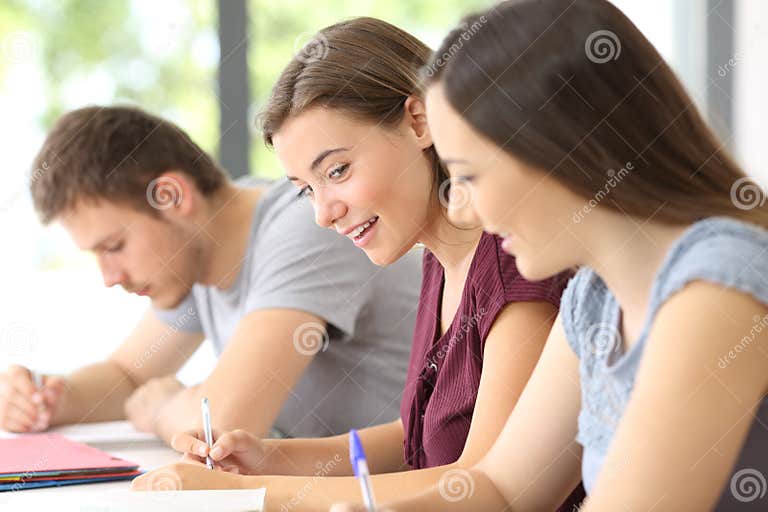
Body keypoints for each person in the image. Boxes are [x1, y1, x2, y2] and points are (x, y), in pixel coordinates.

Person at [331, 0, 768, 510]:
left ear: (559, 150)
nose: (464, 210)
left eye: (469, 175)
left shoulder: (718, 283)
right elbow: (505, 490)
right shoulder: (593, 299)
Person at [132, 16, 583, 511]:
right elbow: (416, 441)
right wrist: (271, 460)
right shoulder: (438, 259)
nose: (324, 213)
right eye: (307, 189)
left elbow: (474, 481)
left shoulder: (514, 263)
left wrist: (248, 494)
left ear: (418, 122)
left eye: (338, 170)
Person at [0, 105, 421, 443]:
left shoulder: (306, 225)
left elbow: (221, 424)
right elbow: (128, 376)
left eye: (114, 247)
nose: (109, 276)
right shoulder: (195, 260)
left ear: (171, 196)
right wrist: (45, 397)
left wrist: (165, 406)